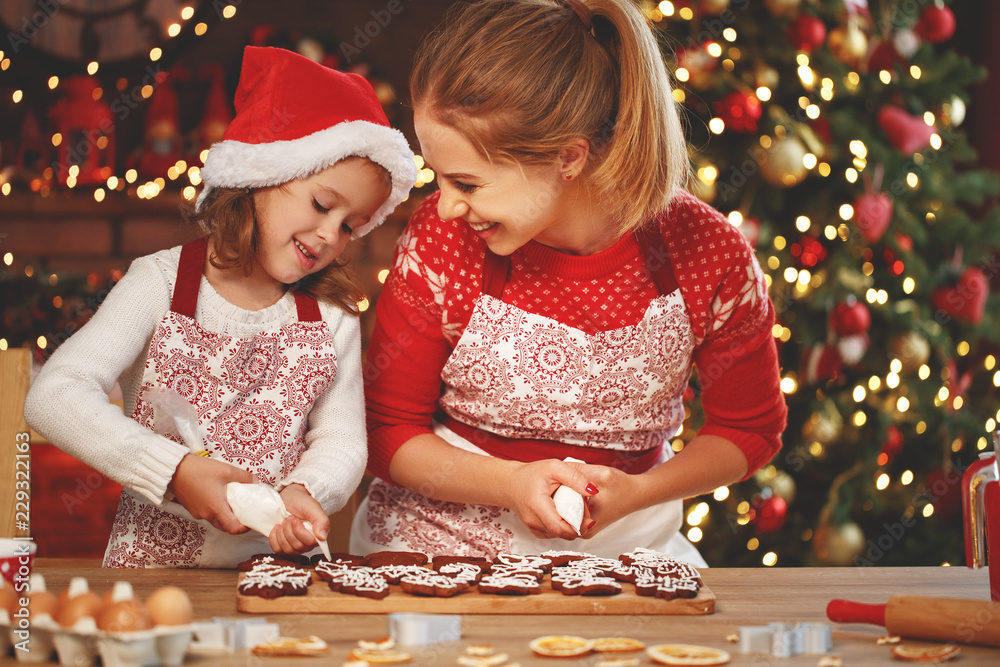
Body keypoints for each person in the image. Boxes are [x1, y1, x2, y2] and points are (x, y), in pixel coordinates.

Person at [352, 0, 787, 565]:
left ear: (568, 158)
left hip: (628, 545)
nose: (448, 205)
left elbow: (749, 429)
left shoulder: (707, 252)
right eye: (440, 177)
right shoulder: (442, 240)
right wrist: (510, 483)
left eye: (468, 183)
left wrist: (638, 492)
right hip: (439, 544)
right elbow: (387, 429)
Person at [24, 46, 417, 568]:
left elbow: (343, 440)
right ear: (260, 176)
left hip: (276, 575)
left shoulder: (333, 318)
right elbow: (55, 394)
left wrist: (307, 489)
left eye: (350, 225)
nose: (330, 234)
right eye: (322, 204)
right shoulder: (159, 283)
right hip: (152, 578)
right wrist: (175, 470)